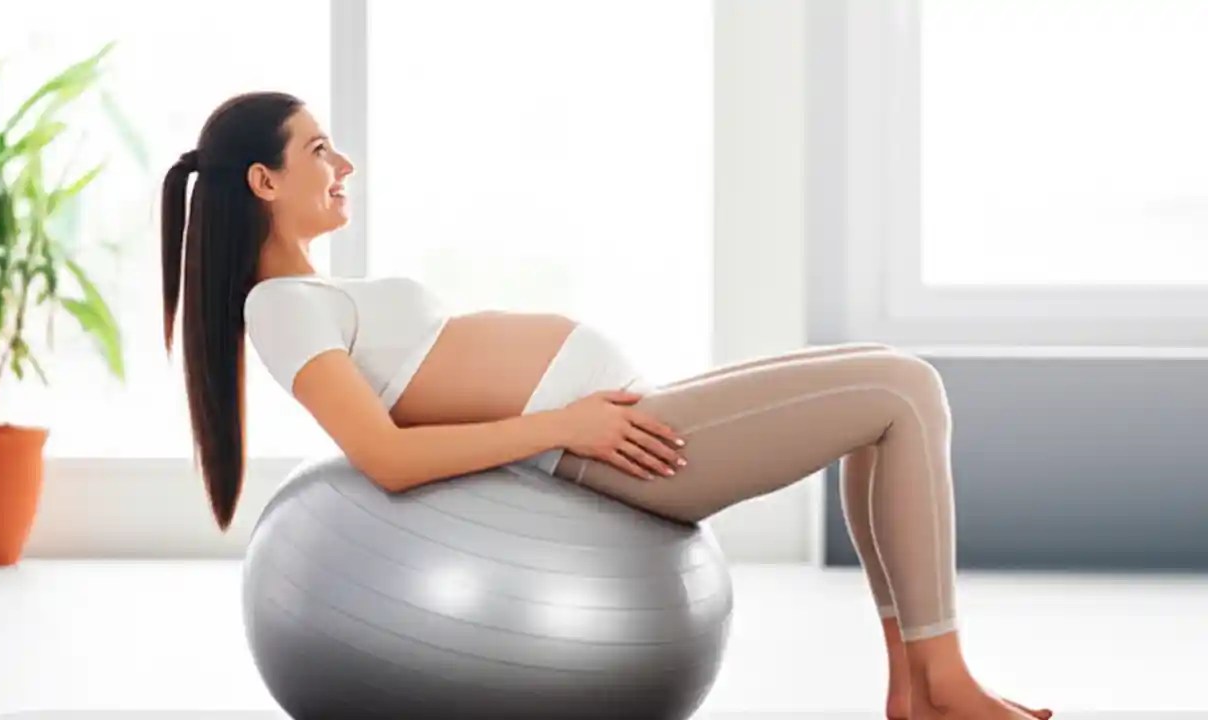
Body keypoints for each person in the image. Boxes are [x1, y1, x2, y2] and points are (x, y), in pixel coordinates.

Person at [160, 91, 1053, 720]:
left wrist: (581, 411)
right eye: (318, 149)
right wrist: (567, 425)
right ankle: (943, 681)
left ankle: (914, 685)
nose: (343, 162)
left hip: (613, 420)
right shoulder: (275, 305)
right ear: (264, 183)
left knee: (888, 377)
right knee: (905, 390)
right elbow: (385, 457)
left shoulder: (311, 295)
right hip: (601, 449)